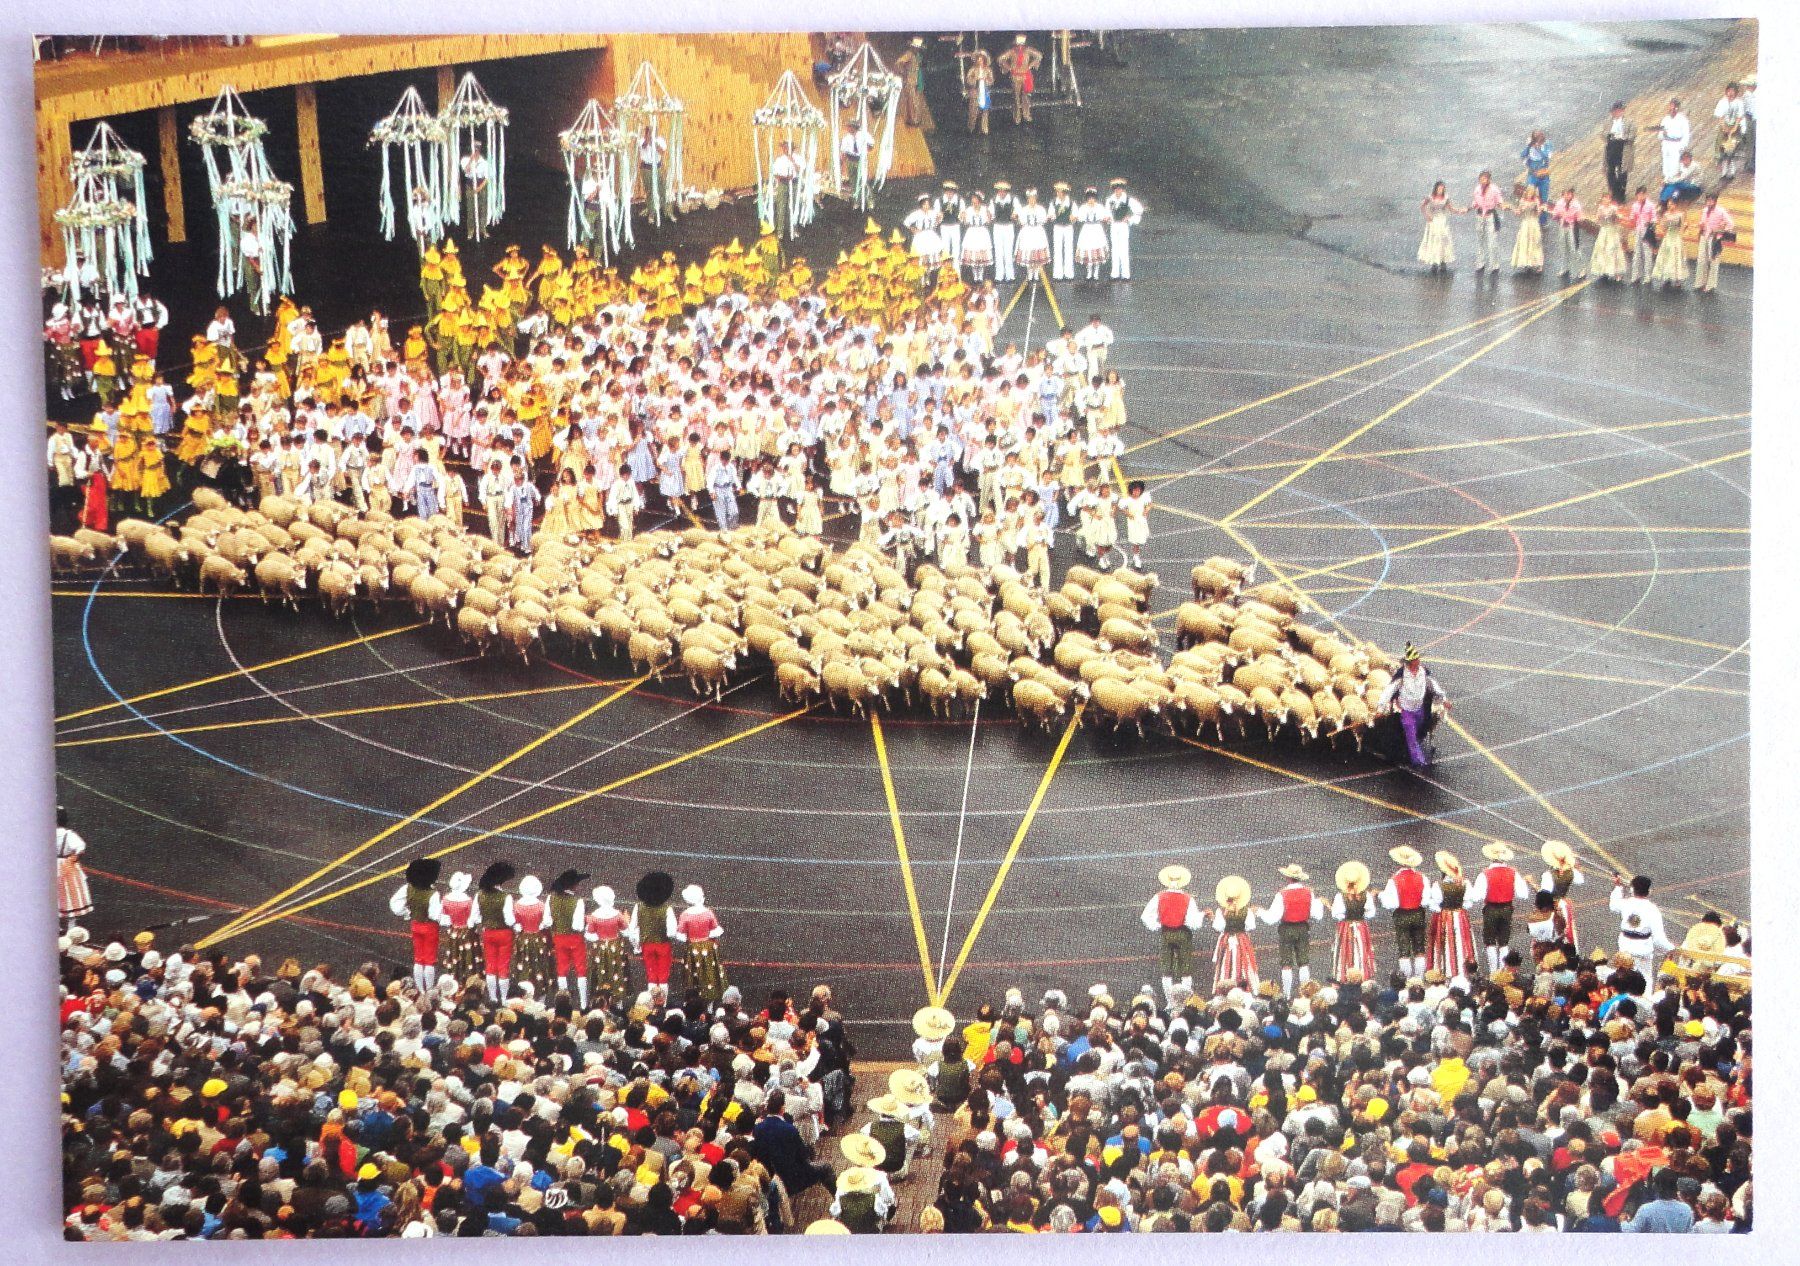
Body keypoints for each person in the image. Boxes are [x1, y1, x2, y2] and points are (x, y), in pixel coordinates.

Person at [1140, 864, 1204, 1007]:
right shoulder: (1188, 899)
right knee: (1185, 968)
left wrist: (1158, 925)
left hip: (1166, 933)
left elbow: (1146, 916)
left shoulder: (1159, 897)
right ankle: (1185, 1000)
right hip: (1183, 933)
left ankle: (1170, 1001)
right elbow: (1193, 921)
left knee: (1166, 969)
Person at [1377, 642, 1448, 769]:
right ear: (1409, 662)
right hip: (1407, 711)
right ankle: (1418, 761)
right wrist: (1381, 707)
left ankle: (1413, 751)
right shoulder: (1402, 676)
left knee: (1418, 732)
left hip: (1420, 710)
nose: (1418, 661)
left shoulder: (1423, 673)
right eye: (1416, 660)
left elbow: (1433, 685)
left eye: (1418, 659)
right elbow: (1390, 690)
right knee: (1411, 735)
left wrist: (1443, 699)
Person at [1264, 862, 1321, 996]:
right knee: (1303, 962)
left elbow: (1272, 917)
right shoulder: (1308, 893)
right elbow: (1316, 915)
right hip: (1303, 928)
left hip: (1286, 929)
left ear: (1288, 878)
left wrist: (1260, 912)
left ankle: (1287, 994)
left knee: (1286, 963)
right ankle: (1306, 993)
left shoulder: (1282, 894)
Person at [388, 858, 444, 991]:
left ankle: (420, 988)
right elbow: (434, 915)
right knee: (429, 960)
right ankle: (429, 988)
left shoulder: (408, 888)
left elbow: (395, 904)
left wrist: (407, 913)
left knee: (419, 959)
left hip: (415, 925)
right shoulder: (433, 894)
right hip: (430, 928)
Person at [1466, 841, 1521, 976]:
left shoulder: (1485, 874)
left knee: (1490, 941)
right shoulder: (1514, 873)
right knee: (1504, 941)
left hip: (1491, 908)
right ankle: (1504, 971)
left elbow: (1477, 895)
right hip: (1507, 908)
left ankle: (1493, 972)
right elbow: (1523, 894)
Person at [1425, 850, 1476, 986]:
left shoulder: (1439, 885)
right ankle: (1463, 971)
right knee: (1463, 942)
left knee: (1445, 943)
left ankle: (1447, 971)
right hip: (1460, 916)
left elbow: (1435, 905)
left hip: (1445, 916)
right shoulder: (1465, 883)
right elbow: (1468, 902)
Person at [1609, 873, 1673, 978]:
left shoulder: (1626, 904)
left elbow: (1613, 905)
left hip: (1625, 952)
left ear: (1632, 890)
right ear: (1648, 891)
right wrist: (1671, 949)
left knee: (1623, 981)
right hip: (1642, 954)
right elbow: (1658, 939)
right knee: (1644, 982)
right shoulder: (1652, 909)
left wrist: (1618, 887)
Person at [673, 883, 728, 1002]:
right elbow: (716, 931)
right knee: (709, 975)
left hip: (692, 949)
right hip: (707, 949)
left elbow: (681, 936)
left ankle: (694, 1000)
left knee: (693, 975)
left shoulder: (685, 915)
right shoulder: (708, 912)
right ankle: (710, 1002)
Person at [629, 870, 677, 1002]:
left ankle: (651, 1001)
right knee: (663, 977)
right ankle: (663, 1002)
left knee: (651, 976)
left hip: (647, 945)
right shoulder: (667, 908)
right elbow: (672, 932)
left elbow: (632, 930)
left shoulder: (638, 907)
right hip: (663, 945)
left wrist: (636, 946)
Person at [1210, 875, 1259, 993]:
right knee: (1244, 962)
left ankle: (1225, 987)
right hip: (1241, 939)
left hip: (1227, 939)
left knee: (1225, 962)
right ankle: (1244, 987)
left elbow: (1219, 927)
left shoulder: (1221, 910)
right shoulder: (1246, 910)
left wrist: (1213, 919)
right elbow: (1250, 926)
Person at [475, 861, 516, 1003]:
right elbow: (509, 920)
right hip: (504, 934)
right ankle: (503, 998)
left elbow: (476, 916)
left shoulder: (480, 895)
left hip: (488, 933)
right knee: (503, 966)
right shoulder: (506, 897)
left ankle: (493, 997)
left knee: (490, 966)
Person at [1331, 860, 1375, 982]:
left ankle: (1346, 975)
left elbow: (1337, 914)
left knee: (1346, 951)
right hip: (1361, 926)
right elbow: (1371, 913)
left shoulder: (1341, 896)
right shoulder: (1366, 895)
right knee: (1361, 949)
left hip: (1346, 926)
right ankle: (1362, 973)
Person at [1538, 839, 1585, 954]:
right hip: (1564, 904)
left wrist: (1532, 884)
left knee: (1553, 934)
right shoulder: (1571, 872)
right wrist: (1576, 868)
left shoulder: (1548, 875)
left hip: (1553, 907)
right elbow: (1580, 880)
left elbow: (1545, 894)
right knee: (1568, 930)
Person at [55, 805, 92, 927]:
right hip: (67, 867)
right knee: (70, 898)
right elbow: (80, 848)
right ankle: (71, 929)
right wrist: (73, 860)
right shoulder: (68, 835)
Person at [1694, 193, 1735, 294]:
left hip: (1715, 238)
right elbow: (1703, 223)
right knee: (1701, 260)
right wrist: (1700, 225)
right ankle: (1700, 283)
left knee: (1713, 261)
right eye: (1708, 200)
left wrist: (1721, 231)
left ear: (1715, 201)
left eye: (1711, 200)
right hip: (1704, 236)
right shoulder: (1704, 210)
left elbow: (1731, 224)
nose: (1709, 202)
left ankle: (1710, 285)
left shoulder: (1721, 211)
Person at [1104, 178, 1144, 280]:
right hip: (1114, 225)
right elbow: (1107, 212)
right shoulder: (1109, 200)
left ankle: (1125, 274)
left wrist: (1130, 218)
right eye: (1116, 189)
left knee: (1124, 249)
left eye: (1120, 188)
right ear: (1113, 189)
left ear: (1123, 189)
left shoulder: (1128, 199)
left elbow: (1139, 210)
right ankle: (1115, 274)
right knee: (1115, 249)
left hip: (1123, 226)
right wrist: (1108, 218)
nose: (1118, 190)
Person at [998, 34, 1042, 126]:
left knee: (1025, 96)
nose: (1020, 46)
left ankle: (1026, 114)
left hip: (1025, 75)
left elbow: (1039, 55)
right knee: (1016, 97)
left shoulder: (1028, 50)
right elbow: (1000, 59)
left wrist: (1030, 65)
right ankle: (1017, 116)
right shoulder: (1012, 51)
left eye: (1022, 44)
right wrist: (1009, 68)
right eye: (1019, 44)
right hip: (1015, 76)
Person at [1467, 171, 1504, 273]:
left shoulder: (1494, 189)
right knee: (1480, 240)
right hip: (1479, 216)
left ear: (1489, 180)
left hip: (1490, 216)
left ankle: (1494, 264)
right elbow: (1475, 203)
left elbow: (1499, 201)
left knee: (1492, 241)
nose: (1482, 181)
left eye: (1484, 179)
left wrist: (1504, 206)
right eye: (1481, 179)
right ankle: (1480, 263)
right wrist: (1468, 208)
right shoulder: (1477, 189)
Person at [1417, 181, 1457, 273]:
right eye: (1439, 188)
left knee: (1443, 240)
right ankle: (1434, 262)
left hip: (1442, 220)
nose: (1441, 190)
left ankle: (1443, 261)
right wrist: (1427, 216)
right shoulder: (1430, 197)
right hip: (1433, 220)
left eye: (1442, 189)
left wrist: (1460, 211)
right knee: (1434, 240)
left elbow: (1451, 208)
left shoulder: (1446, 197)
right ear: (1436, 189)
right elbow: (1422, 206)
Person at [1650, 199, 1689, 289]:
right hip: (1668, 238)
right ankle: (1667, 277)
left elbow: (1682, 226)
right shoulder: (1666, 215)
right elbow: (1663, 228)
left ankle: (1677, 279)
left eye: (1671, 204)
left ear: (1675, 205)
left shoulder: (1681, 214)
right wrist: (1661, 219)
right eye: (1668, 204)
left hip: (1676, 238)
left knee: (1676, 257)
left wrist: (1680, 236)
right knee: (1667, 258)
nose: (1669, 206)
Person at [1604, 100, 1638, 202]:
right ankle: (1613, 192)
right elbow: (1603, 134)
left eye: (1619, 110)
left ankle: (1621, 194)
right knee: (1610, 171)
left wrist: (1623, 137)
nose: (1616, 113)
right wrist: (1610, 136)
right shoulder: (1609, 122)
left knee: (1622, 172)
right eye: (1615, 111)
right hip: (1611, 148)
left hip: (1623, 148)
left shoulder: (1629, 122)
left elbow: (1632, 135)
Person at [1073, 187, 1110, 281]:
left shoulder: (1100, 207)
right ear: (1087, 198)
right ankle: (1089, 272)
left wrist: (1105, 219)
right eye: (1089, 198)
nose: (1091, 200)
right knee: (1088, 249)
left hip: (1097, 229)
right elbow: (1079, 217)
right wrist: (1075, 217)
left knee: (1096, 250)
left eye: (1093, 198)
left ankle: (1096, 273)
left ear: (1095, 198)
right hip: (1087, 229)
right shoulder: (1083, 207)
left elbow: (1105, 216)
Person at [1714, 82, 1748, 180]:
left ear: (1736, 93)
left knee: (1732, 150)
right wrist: (1724, 127)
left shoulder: (1739, 102)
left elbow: (1739, 117)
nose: (1730, 93)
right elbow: (1720, 117)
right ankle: (1723, 172)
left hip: (1734, 127)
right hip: (1724, 126)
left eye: (1733, 91)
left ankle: (1732, 172)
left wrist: (1734, 128)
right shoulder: (1722, 102)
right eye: (1729, 91)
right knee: (1722, 149)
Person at [1625, 185, 1658, 284]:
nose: (1641, 197)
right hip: (1638, 230)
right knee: (1637, 253)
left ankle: (1648, 276)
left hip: (1647, 231)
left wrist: (1650, 222)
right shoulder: (1635, 205)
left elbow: (1655, 218)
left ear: (1646, 195)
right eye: (1639, 195)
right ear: (1637, 195)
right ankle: (1636, 275)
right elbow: (1632, 217)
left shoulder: (1651, 205)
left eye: (1643, 194)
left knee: (1647, 253)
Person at [1549, 187, 1584, 278]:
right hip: (1562, 228)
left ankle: (1581, 269)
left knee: (1574, 249)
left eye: (1568, 194)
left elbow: (1580, 218)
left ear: (1572, 195)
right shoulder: (1560, 203)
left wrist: (1578, 219)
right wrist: (1557, 215)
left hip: (1572, 228)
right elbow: (1555, 214)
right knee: (1563, 247)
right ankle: (1564, 267)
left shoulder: (1576, 205)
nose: (1566, 196)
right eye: (1564, 194)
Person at [461, 140, 492, 239]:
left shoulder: (484, 162)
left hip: (481, 185)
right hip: (470, 185)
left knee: (482, 208)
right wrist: (471, 160)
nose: (476, 152)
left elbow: (487, 178)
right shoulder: (465, 159)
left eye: (477, 150)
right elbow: (466, 171)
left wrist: (479, 188)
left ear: (479, 150)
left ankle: (482, 229)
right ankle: (471, 230)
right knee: (471, 209)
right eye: (474, 149)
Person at [1656, 98, 1691, 183]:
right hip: (1666, 143)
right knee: (1666, 163)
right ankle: (1666, 179)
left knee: (1675, 165)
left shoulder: (1683, 120)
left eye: (1674, 107)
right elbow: (1660, 134)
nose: (1672, 110)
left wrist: (1682, 146)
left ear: (1677, 108)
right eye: (1671, 107)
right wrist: (1662, 135)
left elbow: (1686, 134)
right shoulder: (1665, 119)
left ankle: (1672, 181)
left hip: (1676, 144)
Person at [1519, 130, 1552, 219]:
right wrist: (1529, 166)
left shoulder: (1547, 145)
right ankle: (1529, 216)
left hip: (1543, 175)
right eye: (1537, 140)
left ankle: (1543, 221)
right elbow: (1522, 156)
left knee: (1543, 198)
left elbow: (1547, 156)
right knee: (1529, 194)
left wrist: (1539, 148)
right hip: (1532, 175)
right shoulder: (1530, 146)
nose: (1539, 142)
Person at [1048, 181, 1076, 281]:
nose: (1058, 193)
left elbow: (1075, 215)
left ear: (1064, 192)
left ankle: (1069, 274)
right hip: (1058, 227)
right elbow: (1050, 214)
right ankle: (1058, 274)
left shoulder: (1071, 202)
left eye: (1060, 192)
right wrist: (1051, 216)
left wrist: (1073, 217)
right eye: (1057, 191)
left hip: (1068, 227)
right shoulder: (1053, 202)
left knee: (1068, 249)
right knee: (1057, 250)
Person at [964, 49, 994, 135]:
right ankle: (971, 128)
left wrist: (986, 80)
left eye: (981, 59)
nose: (980, 61)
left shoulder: (988, 70)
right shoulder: (973, 69)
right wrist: (975, 80)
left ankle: (984, 129)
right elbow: (968, 79)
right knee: (973, 110)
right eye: (978, 59)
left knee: (985, 110)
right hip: (975, 91)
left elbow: (991, 80)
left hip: (984, 91)